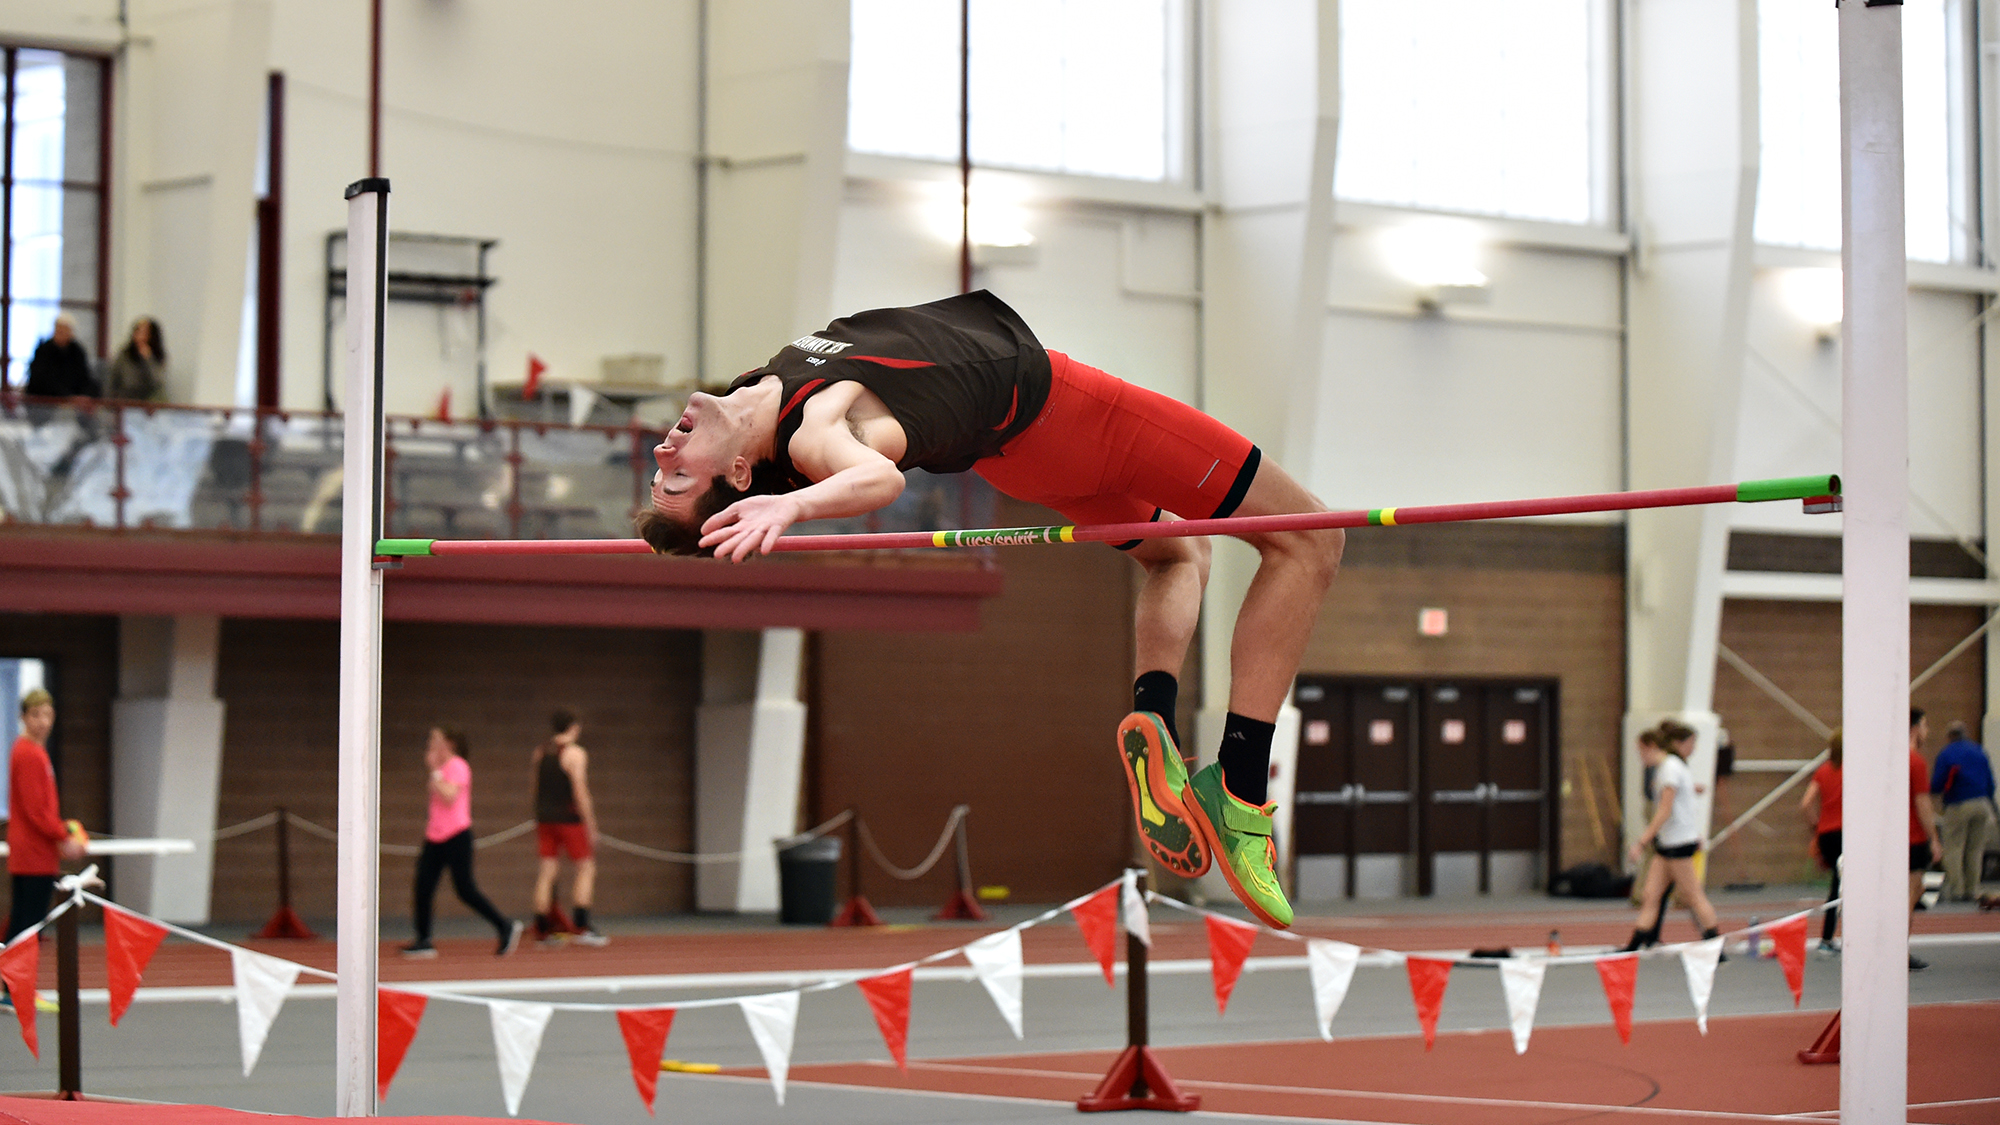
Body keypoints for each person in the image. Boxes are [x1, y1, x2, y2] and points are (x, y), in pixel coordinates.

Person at [635, 291, 1341, 928]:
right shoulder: (812, 432)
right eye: (677, 473)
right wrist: (791, 503)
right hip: (1071, 413)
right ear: (736, 475)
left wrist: (720, 506)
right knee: (1311, 538)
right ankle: (1243, 795)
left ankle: (1153, 722)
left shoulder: (754, 395)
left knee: (1177, 554)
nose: (665, 447)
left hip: (1019, 451)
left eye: (661, 465)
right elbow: (875, 475)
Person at [402, 727, 523, 959]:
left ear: (450, 743)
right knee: (423, 885)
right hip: (435, 836)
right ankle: (423, 939)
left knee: (465, 889)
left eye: (436, 740)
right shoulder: (441, 769)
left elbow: (450, 796)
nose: (431, 744)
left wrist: (436, 771)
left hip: (456, 835)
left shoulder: (457, 766)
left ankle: (504, 925)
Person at [1619, 729, 1722, 952]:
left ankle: (1716, 946)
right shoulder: (1671, 767)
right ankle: (1633, 946)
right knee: (1650, 895)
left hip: (1678, 843)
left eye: (1641, 751)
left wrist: (1641, 842)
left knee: (1693, 895)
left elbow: (1664, 810)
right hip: (1667, 844)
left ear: (1651, 746)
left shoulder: (1669, 769)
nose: (1640, 757)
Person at [6, 690, 84, 944]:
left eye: (48, 715)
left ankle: (13, 982)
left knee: (25, 922)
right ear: (24, 717)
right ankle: (14, 983)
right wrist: (65, 834)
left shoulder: (33, 751)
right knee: (28, 926)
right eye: (36, 715)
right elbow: (36, 811)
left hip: (35, 852)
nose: (43, 722)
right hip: (33, 853)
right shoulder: (29, 753)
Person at [530, 709, 606, 945]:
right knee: (585, 868)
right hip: (570, 819)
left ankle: (542, 929)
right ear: (573, 727)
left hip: (545, 819)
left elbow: (535, 787)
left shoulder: (540, 751)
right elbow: (580, 791)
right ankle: (582, 926)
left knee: (547, 871)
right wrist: (591, 824)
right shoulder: (575, 753)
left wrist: (538, 814)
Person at [1929, 720, 1996, 903]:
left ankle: (1957, 891)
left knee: (1954, 847)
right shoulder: (1979, 751)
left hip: (1958, 804)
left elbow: (1938, 782)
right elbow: (1991, 781)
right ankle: (1972, 889)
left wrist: (1932, 792)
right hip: (1982, 804)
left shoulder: (1947, 753)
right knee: (1975, 849)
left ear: (1950, 736)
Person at [1800, 728, 1844, 954]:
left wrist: (1815, 827)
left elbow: (1806, 803)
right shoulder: (1854, 770)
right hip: (1846, 833)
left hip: (1826, 834)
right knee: (1847, 887)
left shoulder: (1823, 770)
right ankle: (1828, 939)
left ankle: (1828, 937)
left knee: (1836, 887)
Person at [1907, 708, 1944, 968]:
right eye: (1925, 726)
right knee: (1909, 896)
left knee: (1914, 891)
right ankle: (1899, 951)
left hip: (1896, 839)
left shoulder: (1892, 759)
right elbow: (1922, 803)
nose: (1927, 732)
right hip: (1913, 837)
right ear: (1916, 728)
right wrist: (1933, 838)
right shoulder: (1916, 761)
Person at [24, 314, 98, 399]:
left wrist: (83, 396)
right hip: (47, 401)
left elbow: (84, 376)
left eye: (65, 330)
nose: (61, 332)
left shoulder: (77, 351)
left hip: (72, 401)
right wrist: (66, 396)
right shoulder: (43, 350)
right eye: (59, 329)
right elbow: (41, 380)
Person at [105, 317, 167, 403]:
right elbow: (113, 380)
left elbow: (157, 382)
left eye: (145, 333)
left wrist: (149, 360)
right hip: (124, 400)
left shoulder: (157, 356)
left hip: (148, 402)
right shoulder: (124, 354)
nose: (140, 336)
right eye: (138, 332)